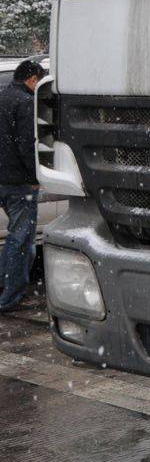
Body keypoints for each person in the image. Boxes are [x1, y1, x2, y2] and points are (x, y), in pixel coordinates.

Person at [0, 59, 45, 313]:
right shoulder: (26, 103)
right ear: (32, 79)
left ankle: (7, 286)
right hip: (18, 183)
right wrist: (34, 177)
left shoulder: (2, 98)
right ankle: (11, 298)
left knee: (18, 237)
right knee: (21, 238)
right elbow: (28, 145)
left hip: (2, 180)